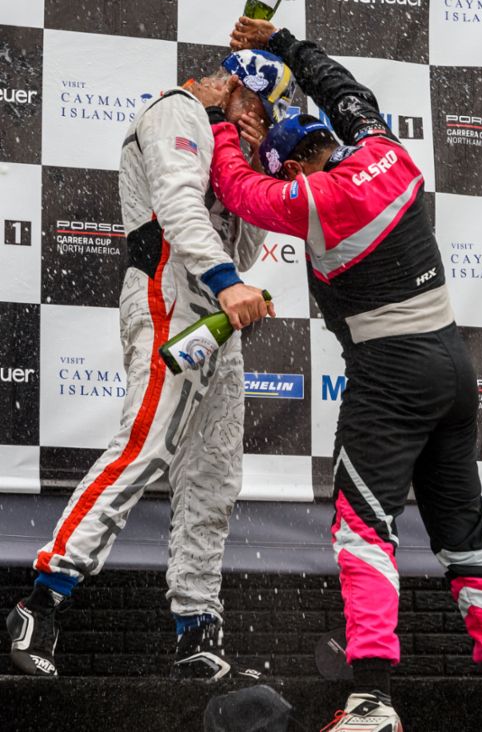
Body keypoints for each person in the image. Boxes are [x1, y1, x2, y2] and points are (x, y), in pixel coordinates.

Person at [195, 17, 482, 732]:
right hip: (455, 367)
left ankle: (372, 701)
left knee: (362, 529)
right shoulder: (387, 151)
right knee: (464, 537)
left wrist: (225, 123)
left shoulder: (311, 199)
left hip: (392, 375)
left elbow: (235, 191)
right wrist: (285, 44)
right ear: (336, 142)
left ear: (294, 166)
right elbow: (346, 89)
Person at [6, 48, 296, 682]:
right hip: (170, 289)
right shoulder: (176, 112)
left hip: (216, 312)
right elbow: (177, 207)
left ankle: (198, 633)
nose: (257, 123)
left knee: (213, 477)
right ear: (236, 91)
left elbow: (239, 245)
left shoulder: (227, 143)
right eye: (257, 109)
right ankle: (40, 603)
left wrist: (245, 166)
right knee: (145, 445)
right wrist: (224, 281)